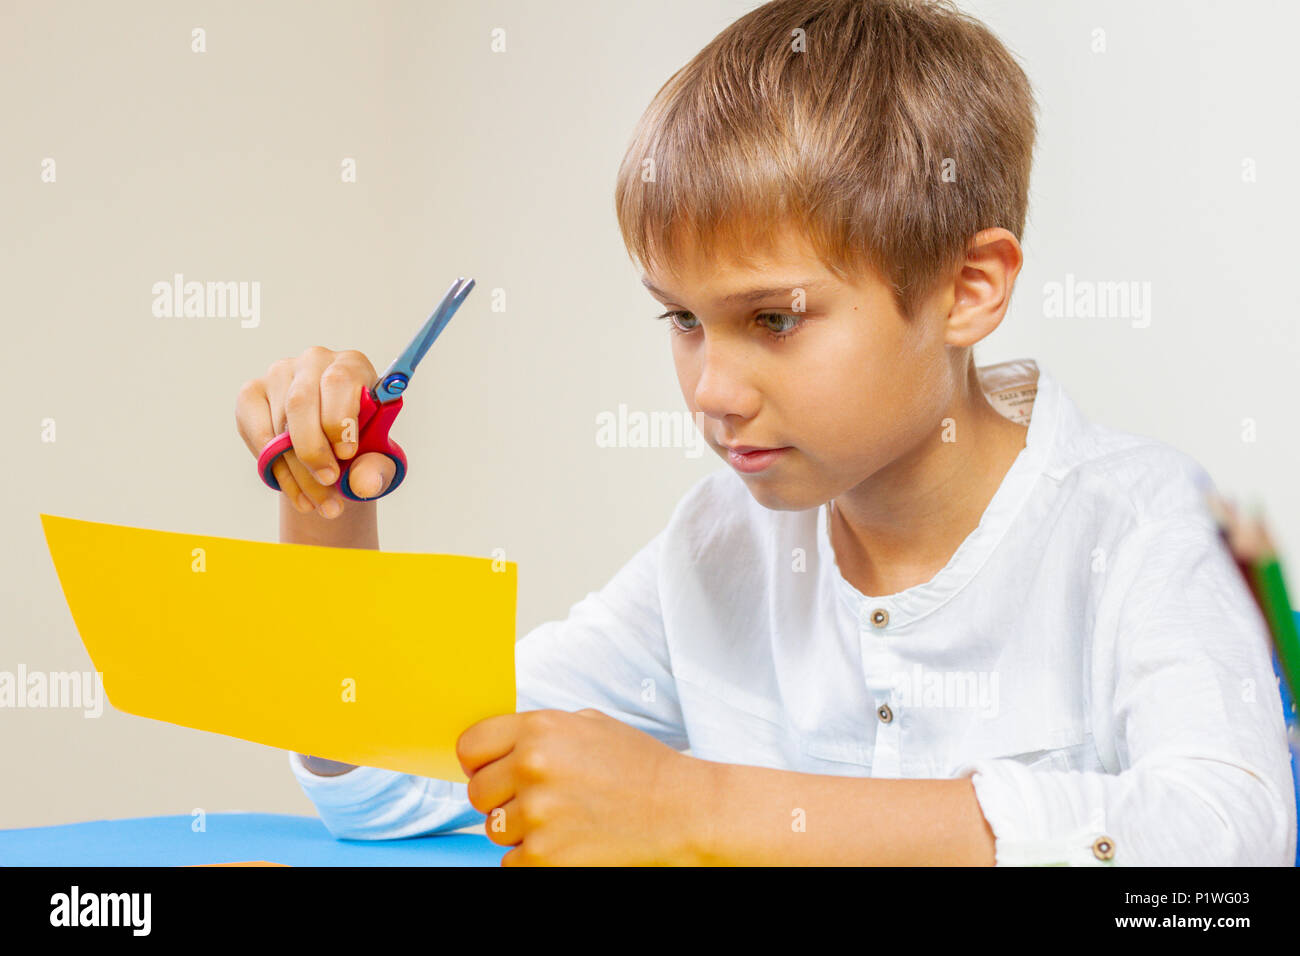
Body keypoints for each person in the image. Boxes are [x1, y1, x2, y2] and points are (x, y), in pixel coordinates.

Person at [234, 0, 1297, 865]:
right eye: (682, 319)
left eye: (772, 319)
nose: (711, 389)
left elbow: (1229, 842)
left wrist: (703, 807)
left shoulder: (1145, 525)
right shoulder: (715, 547)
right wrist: (322, 498)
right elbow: (378, 784)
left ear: (968, 287)